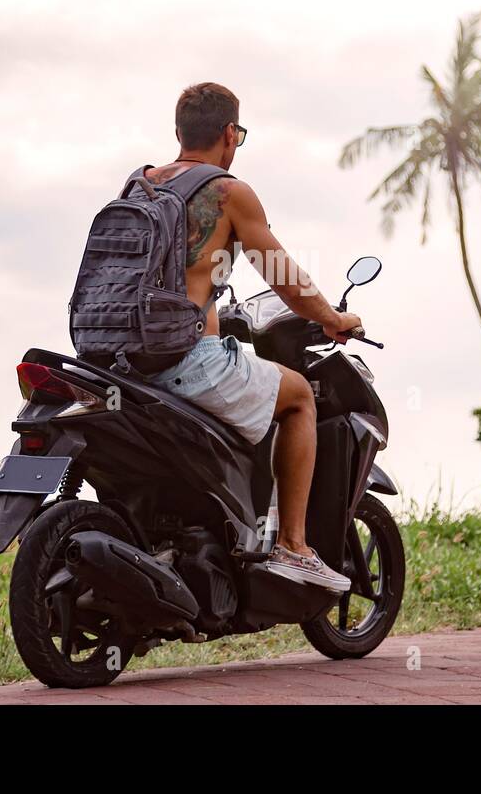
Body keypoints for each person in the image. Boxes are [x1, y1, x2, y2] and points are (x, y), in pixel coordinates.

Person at [144, 82, 363, 592]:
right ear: (229, 134)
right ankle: (293, 546)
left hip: (121, 363)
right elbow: (283, 276)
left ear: (178, 133)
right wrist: (332, 318)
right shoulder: (228, 192)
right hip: (185, 362)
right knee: (300, 397)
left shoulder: (140, 186)